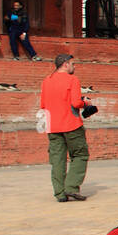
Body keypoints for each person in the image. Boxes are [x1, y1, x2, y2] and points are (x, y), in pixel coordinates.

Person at [39, 52, 92, 202]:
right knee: (80, 155)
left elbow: (43, 105)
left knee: (57, 159)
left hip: (53, 126)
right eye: (73, 64)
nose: (74, 67)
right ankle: (71, 187)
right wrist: (85, 103)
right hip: (71, 124)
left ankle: (60, 193)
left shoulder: (46, 81)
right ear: (65, 64)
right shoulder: (72, 79)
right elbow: (76, 103)